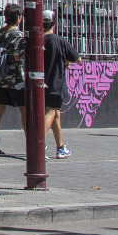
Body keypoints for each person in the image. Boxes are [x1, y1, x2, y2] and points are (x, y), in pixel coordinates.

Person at [0, 3, 26, 155]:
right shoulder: (20, 36)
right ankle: (31, 145)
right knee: (24, 111)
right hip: (15, 79)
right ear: (19, 18)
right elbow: (17, 56)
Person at [42, 10, 82, 158]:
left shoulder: (36, 39)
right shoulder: (59, 40)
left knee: (55, 114)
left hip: (39, 84)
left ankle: (60, 147)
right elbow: (77, 59)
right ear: (54, 23)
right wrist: (66, 59)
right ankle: (39, 146)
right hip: (55, 83)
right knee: (51, 112)